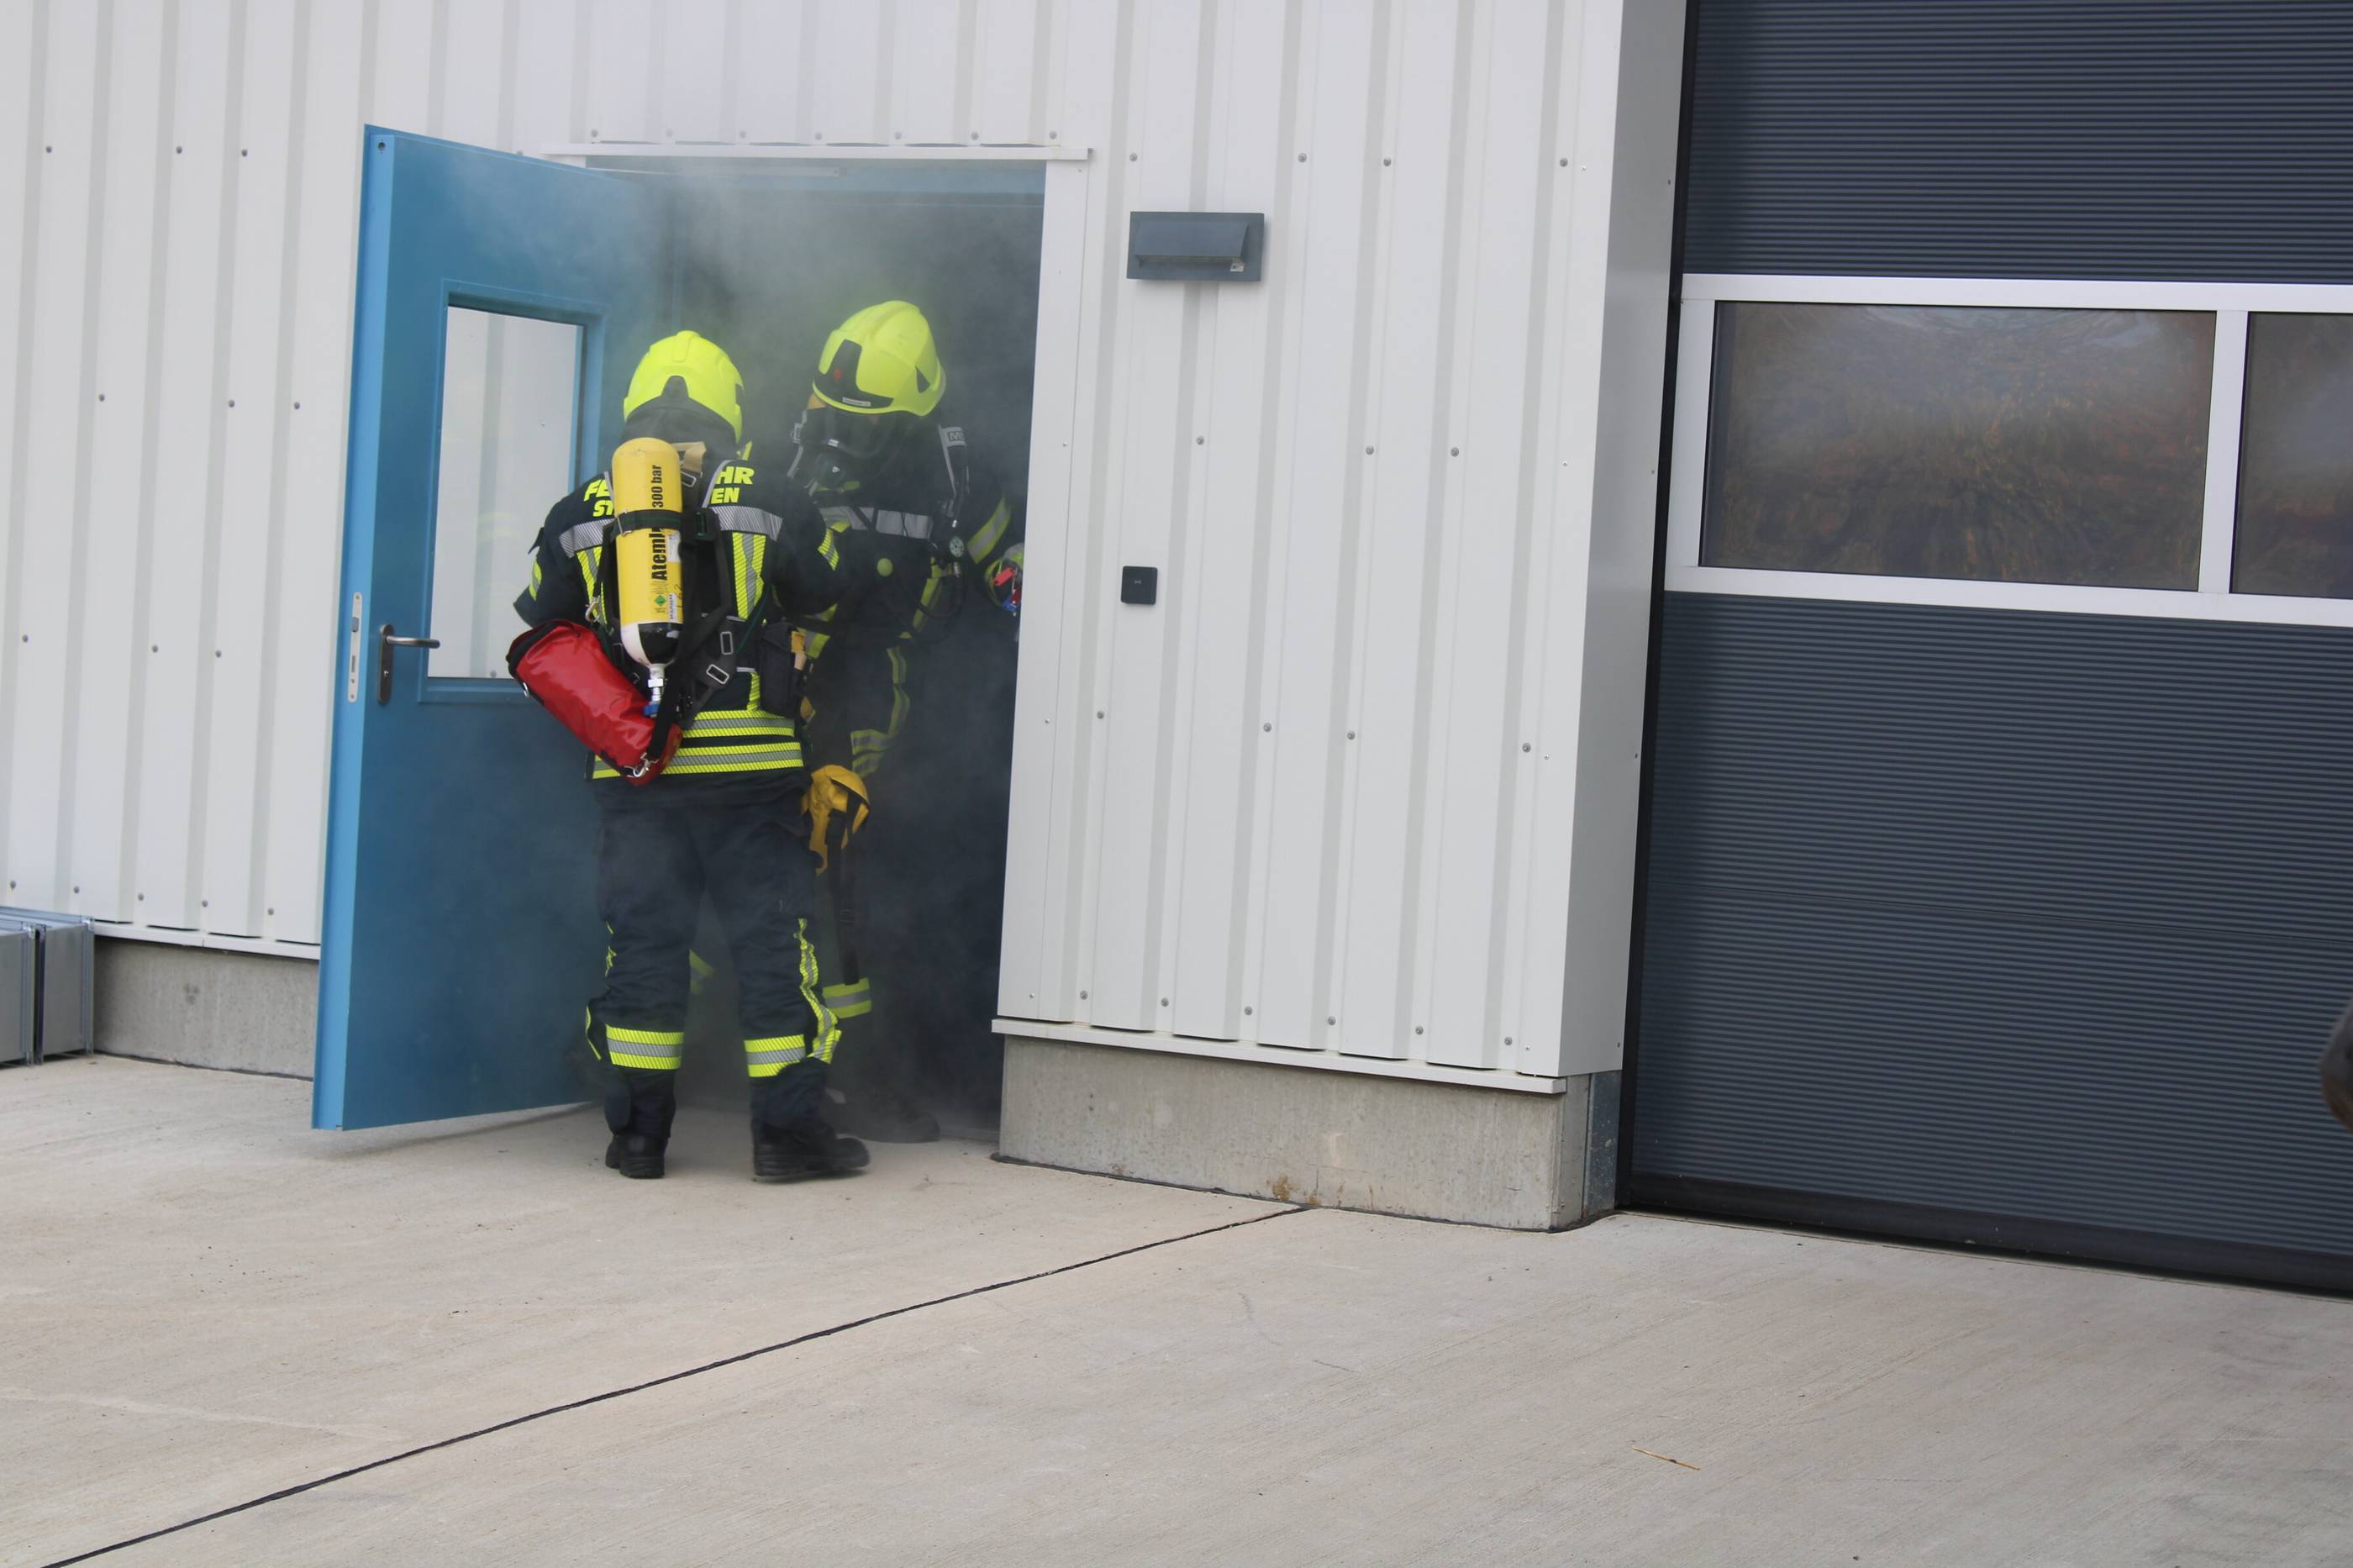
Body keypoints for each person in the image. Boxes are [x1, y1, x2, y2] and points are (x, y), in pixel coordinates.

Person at [509, 329, 868, 1182]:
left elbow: (538, 622)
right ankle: (787, 1139)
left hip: (638, 777)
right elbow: (830, 589)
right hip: (755, 779)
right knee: (772, 950)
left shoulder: (585, 510)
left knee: (644, 950)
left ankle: (637, 1139)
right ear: (729, 409)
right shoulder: (769, 495)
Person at [786, 301, 1025, 1142]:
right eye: (832, 416)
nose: (840, 439)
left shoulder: (957, 479)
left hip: (877, 702)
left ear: (916, 418)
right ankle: (837, 1075)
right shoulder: (787, 452)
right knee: (795, 876)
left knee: (842, 877)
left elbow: (1011, 567)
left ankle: (852, 1072)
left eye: (865, 425)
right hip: (778, 686)